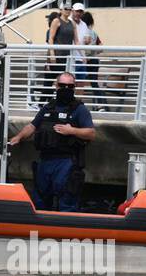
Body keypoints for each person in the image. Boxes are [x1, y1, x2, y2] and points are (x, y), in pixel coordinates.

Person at [8, 72, 96, 212]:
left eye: (69, 86)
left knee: (67, 201)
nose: (66, 88)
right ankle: (40, 232)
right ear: (56, 86)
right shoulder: (48, 107)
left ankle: (66, 231)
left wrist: (71, 131)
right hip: (45, 161)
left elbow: (91, 133)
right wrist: (18, 137)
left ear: (74, 87)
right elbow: (32, 126)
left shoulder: (79, 109)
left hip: (66, 161)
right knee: (40, 201)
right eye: (62, 85)